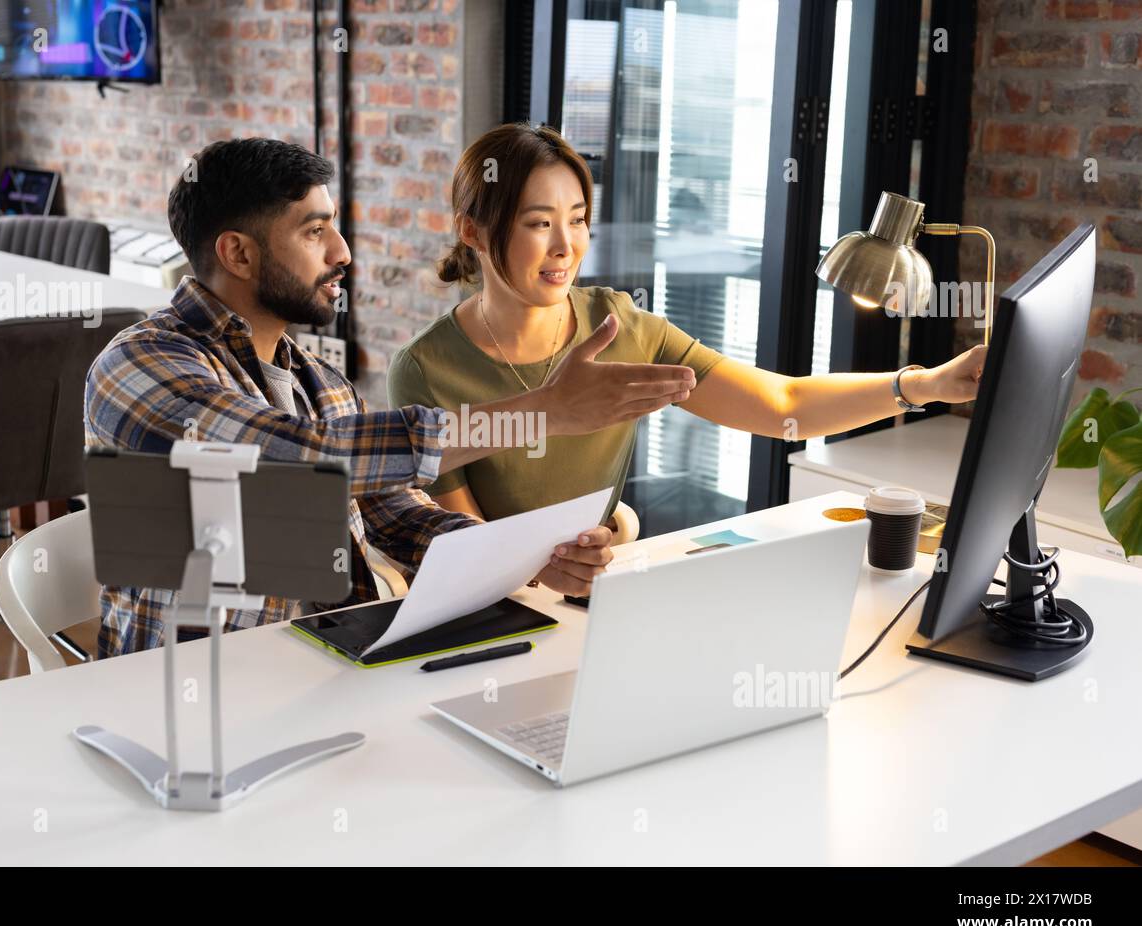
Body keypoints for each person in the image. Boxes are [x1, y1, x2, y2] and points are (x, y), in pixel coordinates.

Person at [85, 138, 695, 656]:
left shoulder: (317, 384)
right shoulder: (140, 365)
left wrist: (533, 556)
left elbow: (397, 515)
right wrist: (540, 414)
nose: (342, 253)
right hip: (187, 700)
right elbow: (298, 460)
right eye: (314, 232)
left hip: (317, 673)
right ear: (238, 253)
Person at [389, 123, 986, 524]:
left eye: (577, 220)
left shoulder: (620, 328)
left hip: (601, 596)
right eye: (539, 223)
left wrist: (923, 385)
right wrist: (605, 536)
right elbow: (467, 549)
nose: (567, 247)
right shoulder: (428, 370)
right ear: (472, 231)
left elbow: (783, 404)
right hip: (500, 621)